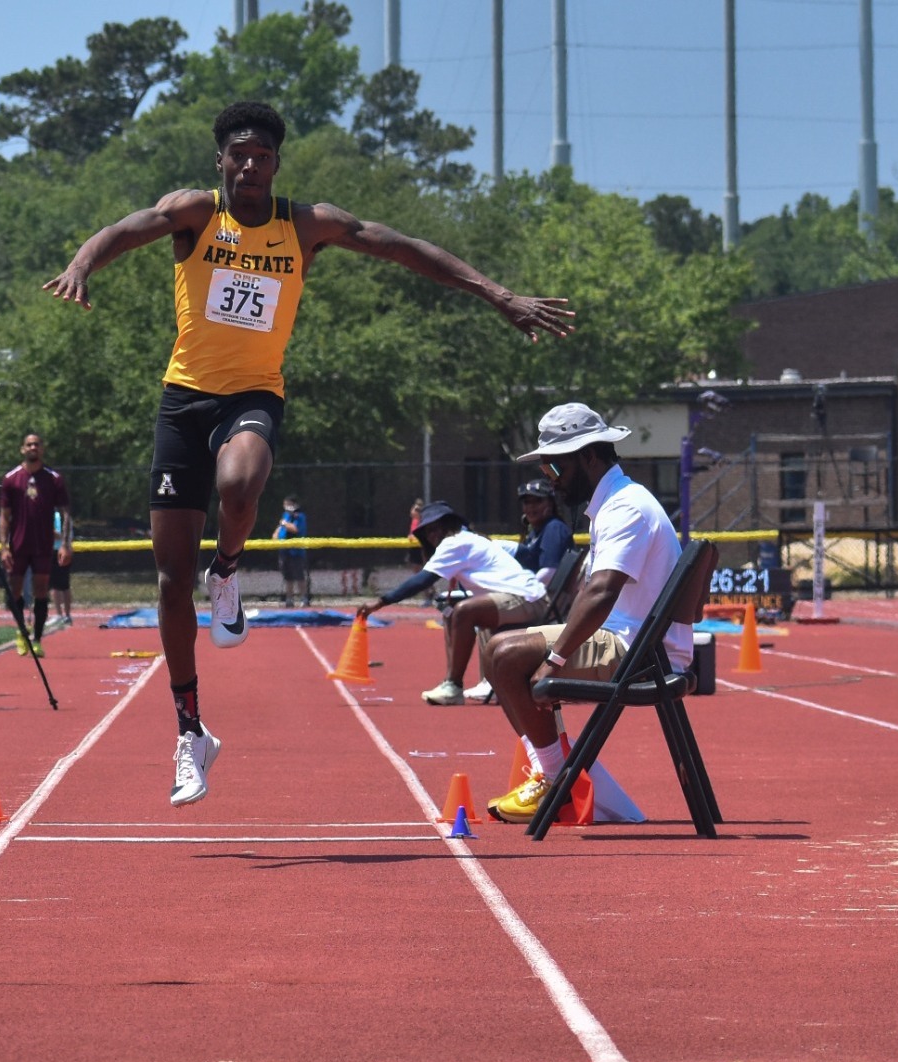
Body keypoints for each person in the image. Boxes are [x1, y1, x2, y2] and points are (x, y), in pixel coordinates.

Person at [43, 100, 574, 807]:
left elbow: (399, 246)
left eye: (263, 155)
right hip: (184, 398)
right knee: (169, 581)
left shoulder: (305, 225)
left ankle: (227, 569)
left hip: (255, 395)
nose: (251, 165)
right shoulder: (196, 215)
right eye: (239, 153)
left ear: (277, 164)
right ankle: (190, 730)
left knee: (240, 485)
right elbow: (121, 230)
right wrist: (82, 263)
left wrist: (494, 293)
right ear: (221, 160)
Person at [480, 403, 681, 826]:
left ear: (589, 455)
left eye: (555, 466)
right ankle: (551, 774)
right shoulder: (615, 502)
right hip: (633, 639)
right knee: (496, 648)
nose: (550, 479)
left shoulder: (625, 508)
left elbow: (603, 590)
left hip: (642, 651)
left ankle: (556, 782)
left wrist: (554, 658)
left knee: (508, 657)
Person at [357, 501, 553, 706]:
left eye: (436, 528)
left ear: (449, 524)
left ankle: (453, 685)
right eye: (427, 532)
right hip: (522, 598)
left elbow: (423, 580)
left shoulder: (455, 542)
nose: (432, 535)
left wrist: (380, 602)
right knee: (451, 612)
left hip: (529, 599)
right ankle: (473, 682)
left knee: (464, 612)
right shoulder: (466, 539)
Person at [0, 433, 71, 656]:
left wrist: (66, 544)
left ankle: (37, 638)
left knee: (41, 590)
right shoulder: (11, 478)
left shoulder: (53, 478)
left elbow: (66, 513)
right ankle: (22, 630)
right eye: (29, 444)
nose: (33, 448)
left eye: (37, 444)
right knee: (15, 590)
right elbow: (4, 516)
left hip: (42, 544)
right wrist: (4, 546)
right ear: (22, 449)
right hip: (18, 544)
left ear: (42, 449)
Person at [512, 477, 575, 586]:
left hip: (546, 597)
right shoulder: (535, 532)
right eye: (527, 502)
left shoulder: (554, 528)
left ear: (550, 504)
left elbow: (548, 574)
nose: (531, 507)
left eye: (537, 501)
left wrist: (520, 590)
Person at [273, 495, 309, 607]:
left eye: (288, 504)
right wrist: (277, 532)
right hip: (284, 551)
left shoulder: (300, 517)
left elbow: (295, 529)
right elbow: (277, 531)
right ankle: (289, 599)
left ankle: (304, 599)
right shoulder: (285, 516)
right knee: (288, 577)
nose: (286, 507)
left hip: (296, 552)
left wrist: (284, 524)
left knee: (299, 576)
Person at [47, 508, 74, 625]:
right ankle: (60, 614)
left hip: (59, 551)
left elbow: (59, 535)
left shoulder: (59, 517)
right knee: (55, 585)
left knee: (62, 585)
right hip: (53, 551)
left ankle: (65, 615)